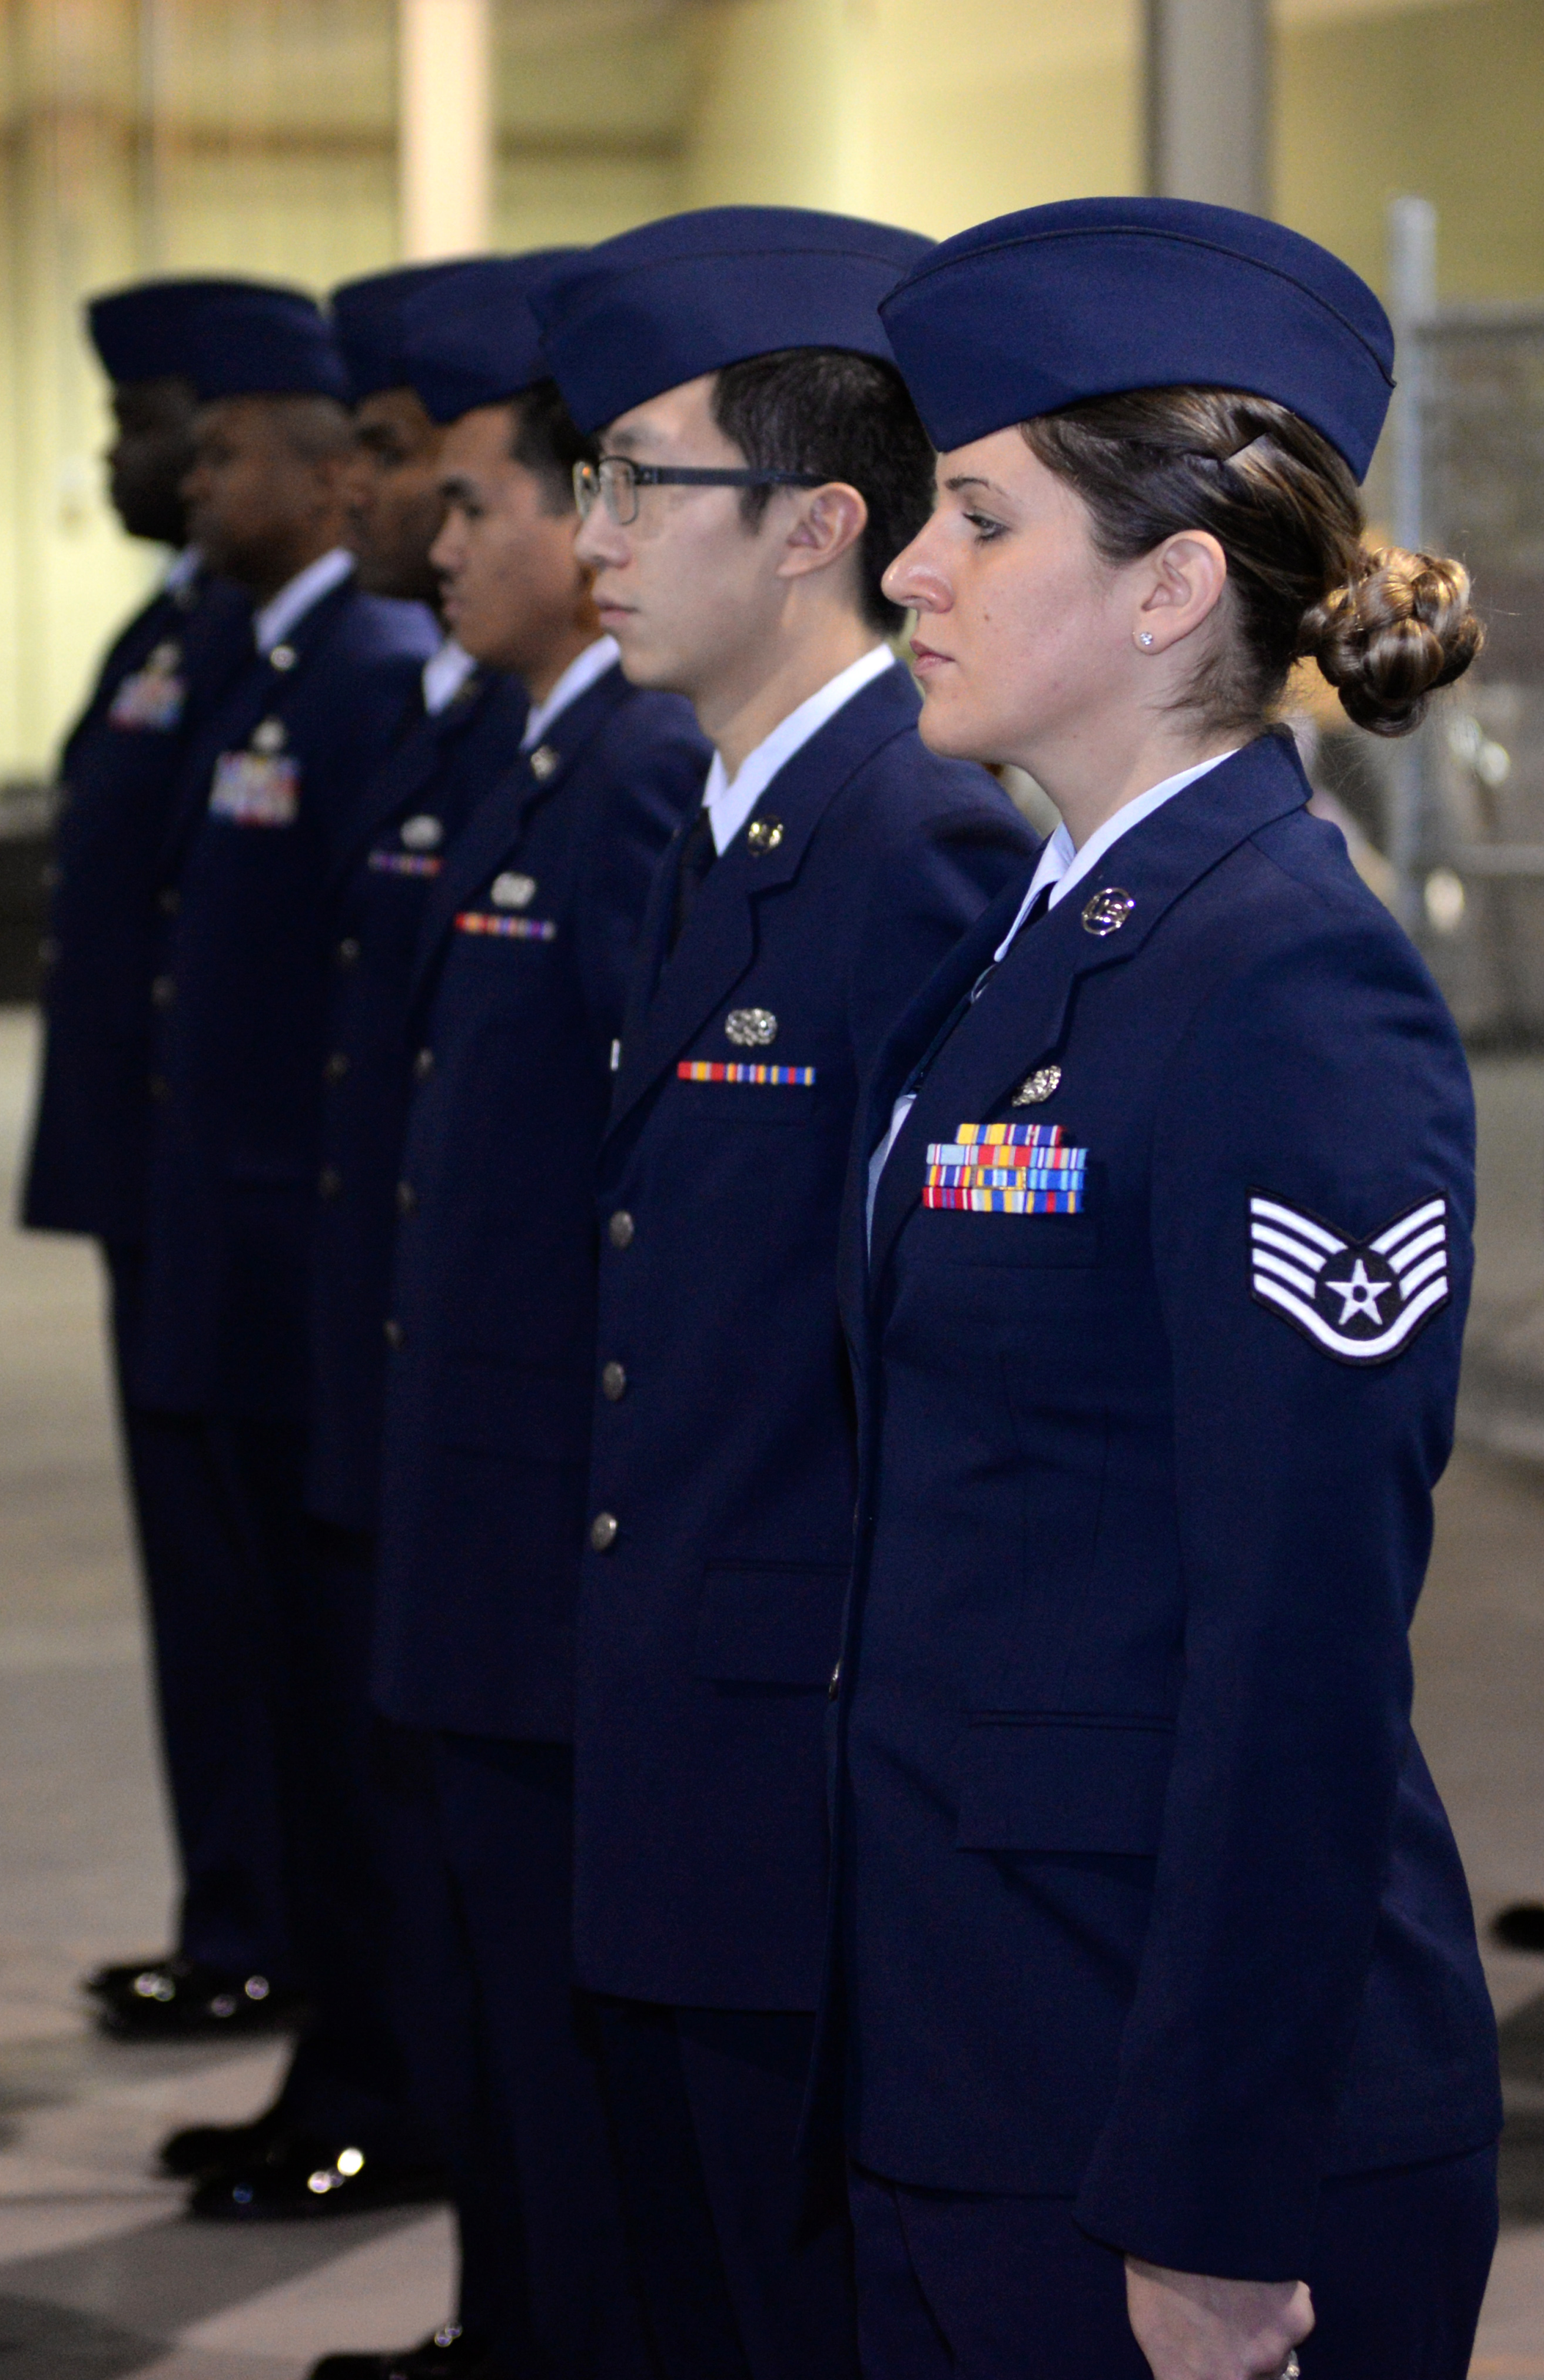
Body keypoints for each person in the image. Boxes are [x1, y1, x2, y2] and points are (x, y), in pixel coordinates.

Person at [831, 196, 1500, 2379]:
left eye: (977, 517)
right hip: (985, 2043)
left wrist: (1212, 2195)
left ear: (1171, 584)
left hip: (1180, 2132)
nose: (911, 568)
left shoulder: (1284, 985)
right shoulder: (1063, 931)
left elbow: (1298, 1650)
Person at [532, 210, 1037, 2380]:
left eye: (644, 479)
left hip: (793, 1774)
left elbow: (922, 1369)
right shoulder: (726, 821)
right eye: (591, 480)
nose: (595, 538)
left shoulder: (910, 840)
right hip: (675, 1733)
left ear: (822, 520)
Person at [367, 252, 709, 2380]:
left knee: (576, 2054)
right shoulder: (539, 761)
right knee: (502, 1998)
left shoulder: (637, 789)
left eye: (486, 495)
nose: (474, 536)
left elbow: (651, 1225)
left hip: (555, 1526)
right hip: (484, 1512)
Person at [180, 261, 529, 2250]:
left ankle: (397, 2093)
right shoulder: (477, 725)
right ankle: (374, 2070)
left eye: (432, 466)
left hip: (465, 1392)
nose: (418, 513)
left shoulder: (581, 763)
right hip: (353, 1313)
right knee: (342, 1736)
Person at [108, 280, 447, 2218]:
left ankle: (372, 2057)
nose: (435, 518)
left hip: (311, 1271)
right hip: (244, 1247)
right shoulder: (245, 651)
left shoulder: (366, 680)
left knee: (336, 1693)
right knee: (278, 1667)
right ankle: (336, 2022)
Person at [18, 278, 280, 2041]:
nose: (134, 461)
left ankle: (274, 1918)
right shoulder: (172, 635)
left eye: (148, 423)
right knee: (202, 1579)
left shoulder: (295, 660)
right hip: (165, 1181)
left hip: (256, 1206)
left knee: (266, 1590)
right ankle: (234, 1902)